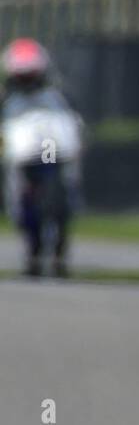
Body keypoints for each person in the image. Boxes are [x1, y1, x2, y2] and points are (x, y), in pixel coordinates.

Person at [2, 38, 82, 277]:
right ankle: (33, 248)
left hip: (55, 157)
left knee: (63, 198)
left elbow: (74, 125)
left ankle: (59, 246)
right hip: (24, 160)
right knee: (23, 202)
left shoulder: (56, 98)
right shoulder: (9, 103)